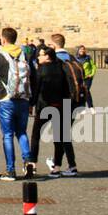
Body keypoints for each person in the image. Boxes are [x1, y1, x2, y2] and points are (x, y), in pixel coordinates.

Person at [29, 43, 78, 177]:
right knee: (60, 137)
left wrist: (31, 104)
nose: (38, 58)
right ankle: (57, 167)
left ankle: (32, 164)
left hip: (44, 106)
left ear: (47, 57)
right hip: (61, 105)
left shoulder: (42, 70)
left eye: (40, 55)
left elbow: (36, 90)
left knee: (35, 135)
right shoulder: (61, 67)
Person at [0, 28, 32, 180]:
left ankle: (10, 170)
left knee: (8, 135)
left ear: (4, 39)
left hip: (6, 98)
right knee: (22, 132)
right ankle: (28, 161)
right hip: (24, 98)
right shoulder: (24, 54)